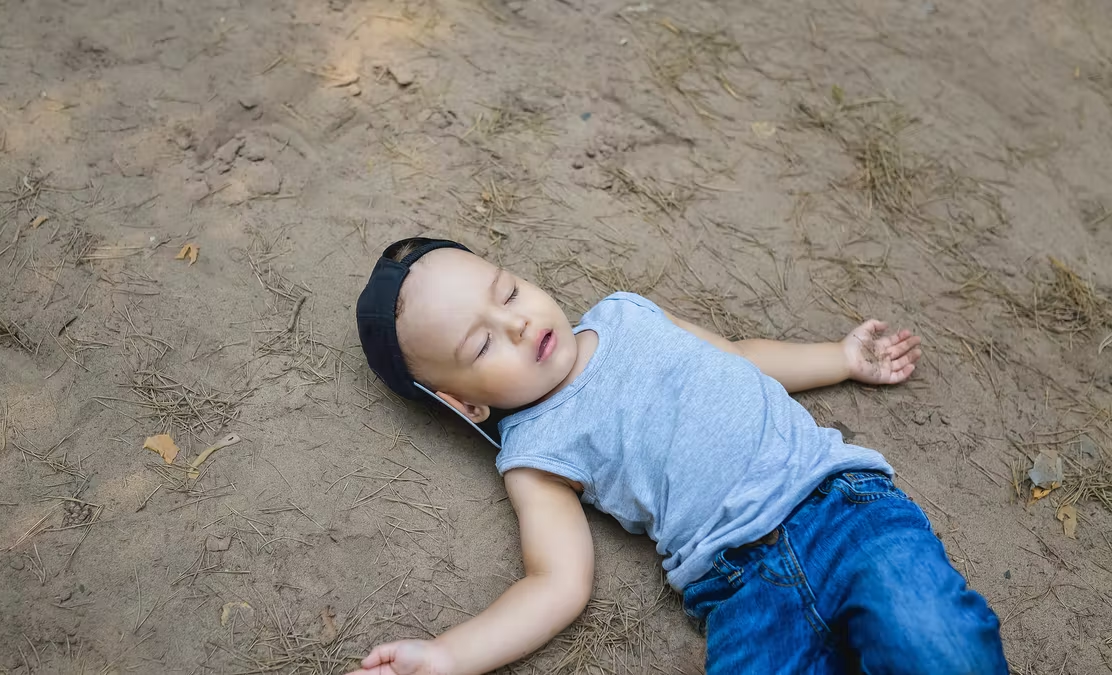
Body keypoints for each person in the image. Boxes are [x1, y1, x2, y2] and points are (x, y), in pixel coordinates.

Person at [348, 237, 1007, 675]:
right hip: (740, 585)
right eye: (481, 345)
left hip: (838, 506)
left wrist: (838, 358)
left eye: (509, 291)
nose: (516, 323)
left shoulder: (626, 314)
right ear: (466, 404)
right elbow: (556, 581)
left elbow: (739, 355)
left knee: (937, 639)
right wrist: (446, 654)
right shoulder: (534, 452)